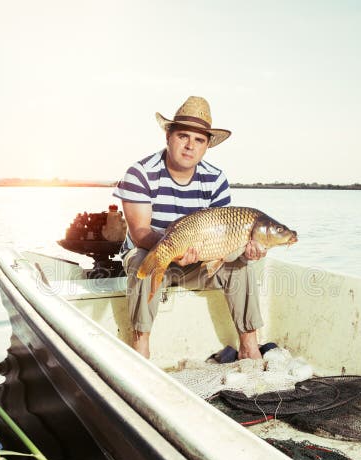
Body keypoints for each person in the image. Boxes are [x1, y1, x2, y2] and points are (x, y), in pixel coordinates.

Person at [112, 96, 267, 360]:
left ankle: (249, 347)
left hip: (198, 259)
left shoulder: (216, 179)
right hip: (151, 248)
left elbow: (226, 235)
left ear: (207, 146)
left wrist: (246, 250)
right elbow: (139, 232)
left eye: (199, 140)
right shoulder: (140, 173)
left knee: (240, 265)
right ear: (168, 137)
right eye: (183, 136)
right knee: (143, 262)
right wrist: (173, 250)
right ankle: (141, 348)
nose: (189, 146)